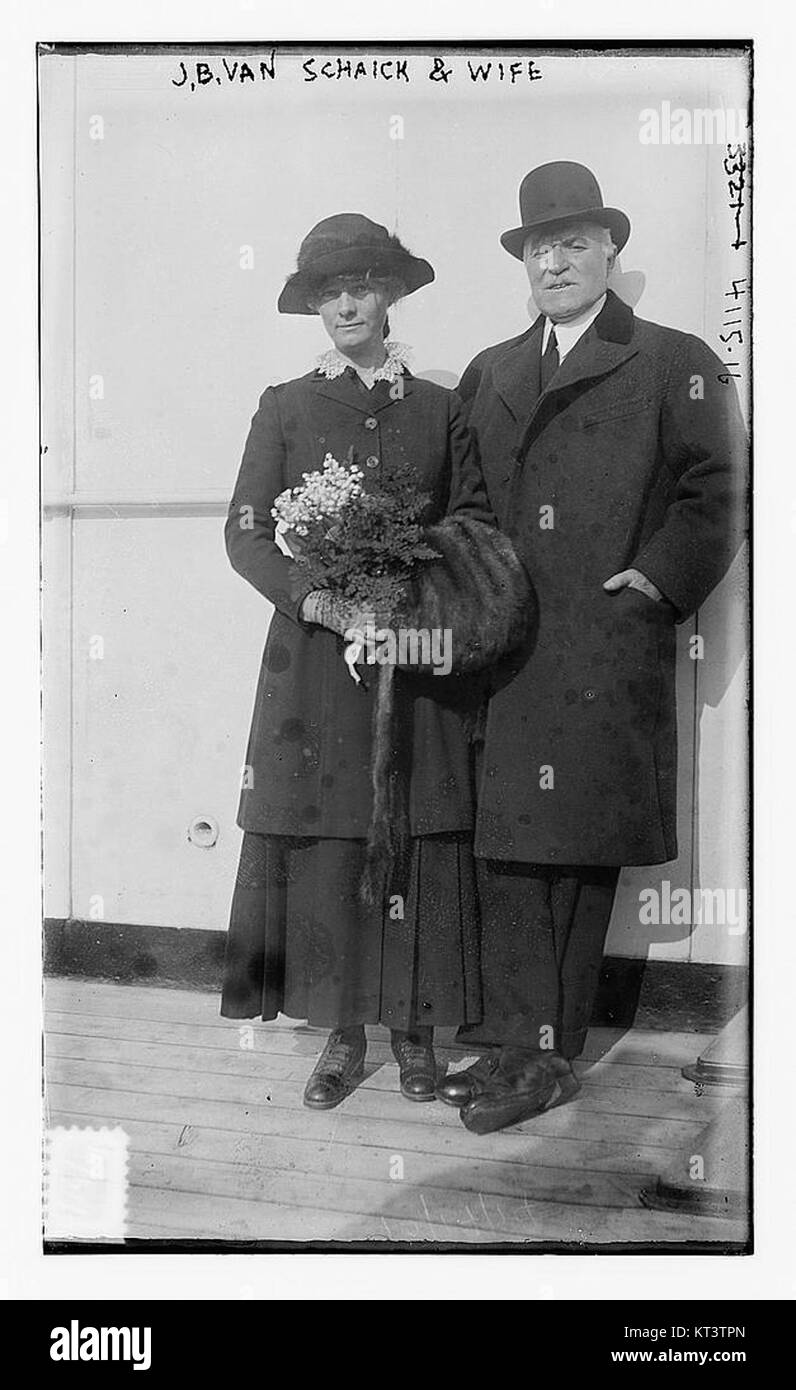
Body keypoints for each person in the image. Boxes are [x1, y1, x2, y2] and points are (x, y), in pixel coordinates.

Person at [435, 161, 748, 1133]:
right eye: (540, 246)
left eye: (575, 242)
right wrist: (471, 595)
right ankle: (511, 1046)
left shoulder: (669, 357)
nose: (557, 260)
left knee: (572, 854)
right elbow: (466, 506)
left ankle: (546, 1055)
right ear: (523, 263)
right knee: (509, 852)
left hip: (604, 656)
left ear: (611, 252)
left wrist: (657, 579)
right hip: (510, 651)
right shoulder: (490, 369)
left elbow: (720, 484)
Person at [219, 213, 493, 1110]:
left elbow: (472, 525)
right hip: (317, 664)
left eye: (364, 285)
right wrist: (325, 601)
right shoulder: (286, 406)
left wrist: (410, 601)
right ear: (313, 307)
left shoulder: (440, 407)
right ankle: (341, 1032)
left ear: (392, 295)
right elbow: (247, 532)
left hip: (412, 656)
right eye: (330, 291)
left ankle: (414, 1031)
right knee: (335, 842)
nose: (348, 303)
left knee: (411, 827)